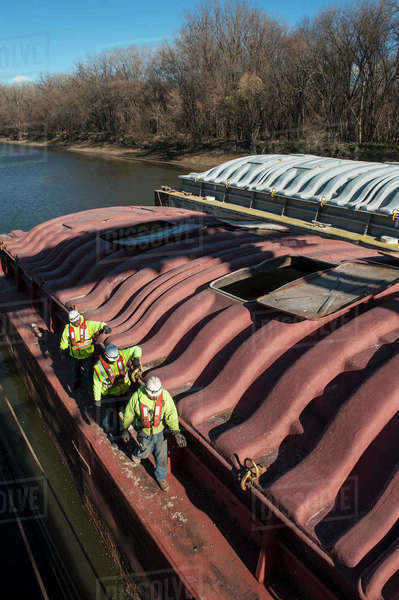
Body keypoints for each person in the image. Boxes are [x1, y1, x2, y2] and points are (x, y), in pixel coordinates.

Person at [121, 375, 186, 492]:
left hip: (160, 431)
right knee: (145, 451)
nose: (154, 397)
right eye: (152, 395)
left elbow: (171, 414)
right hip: (144, 431)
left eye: (157, 394)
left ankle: (160, 476)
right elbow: (129, 412)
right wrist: (125, 428)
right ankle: (137, 454)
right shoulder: (137, 397)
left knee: (161, 456)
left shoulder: (165, 396)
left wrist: (176, 432)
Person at [93, 343, 142, 441]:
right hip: (110, 395)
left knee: (129, 409)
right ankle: (115, 436)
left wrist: (136, 361)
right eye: (111, 361)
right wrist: (97, 401)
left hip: (124, 390)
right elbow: (97, 385)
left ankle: (128, 428)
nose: (114, 362)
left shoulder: (123, 355)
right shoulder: (99, 368)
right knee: (113, 415)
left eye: (115, 360)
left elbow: (137, 349)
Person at [60, 309, 111, 390]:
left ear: (79, 318)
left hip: (88, 355)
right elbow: (64, 341)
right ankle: (76, 384)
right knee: (75, 372)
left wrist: (105, 327)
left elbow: (98, 325)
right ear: (71, 322)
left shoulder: (88, 325)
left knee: (88, 372)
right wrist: (62, 350)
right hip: (75, 356)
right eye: (74, 322)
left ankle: (90, 387)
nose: (76, 323)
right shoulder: (68, 330)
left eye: (77, 320)